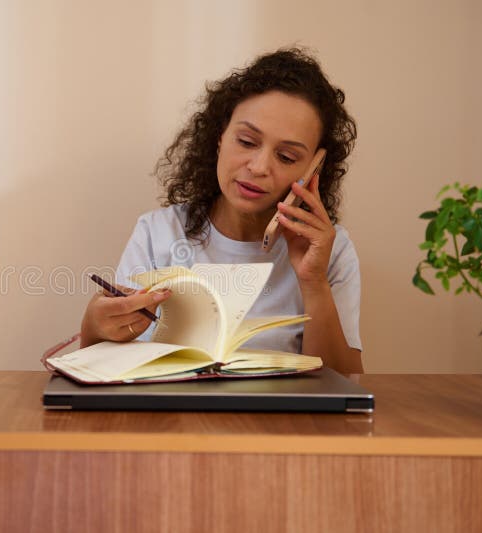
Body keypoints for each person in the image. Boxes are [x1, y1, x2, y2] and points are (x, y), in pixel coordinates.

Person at [80, 48, 363, 374]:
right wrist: (93, 325)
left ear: (313, 169)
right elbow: (104, 366)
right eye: (246, 141)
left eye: (286, 157)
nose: (258, 167)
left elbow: (344, 384)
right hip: (168, 421)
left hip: (278, 423)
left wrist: (313, 282)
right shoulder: (157, 233)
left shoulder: (332, 249)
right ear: (219, 137)